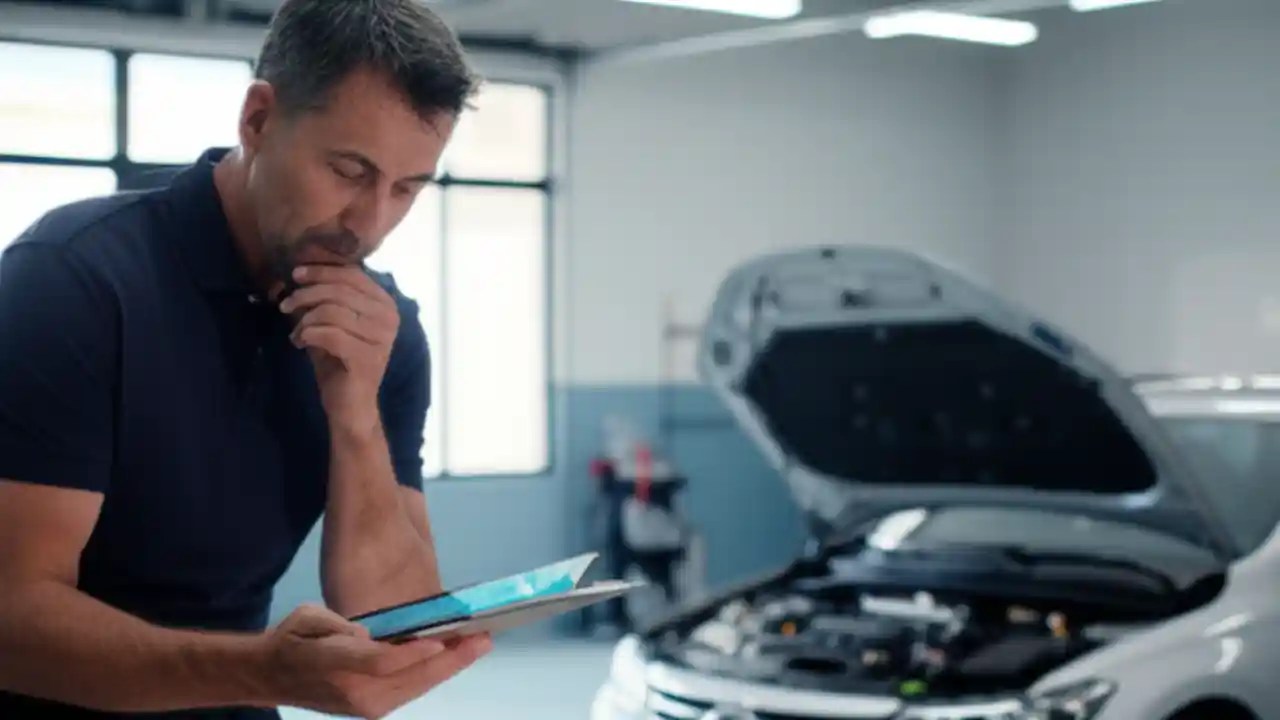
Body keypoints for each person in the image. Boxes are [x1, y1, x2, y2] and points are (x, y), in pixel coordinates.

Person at [0, 1, 493, 718]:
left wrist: (355, 412)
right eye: (349, 170)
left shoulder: (381, 332)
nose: (371, 222)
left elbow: (397, 620)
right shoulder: (74, 278)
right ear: (258, 120)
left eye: (407, 188)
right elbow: (10, 618)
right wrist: (262, 671)